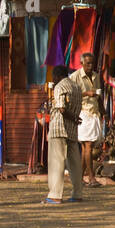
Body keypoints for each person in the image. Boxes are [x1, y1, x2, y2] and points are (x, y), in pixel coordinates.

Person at [44, 65, 83, 205]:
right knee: (75, 163)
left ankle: (55, 195)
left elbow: (61, 108)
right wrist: (75, 119)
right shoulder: (77, 87)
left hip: (59, 128)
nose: (53, 80)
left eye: (53, 77)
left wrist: (72, 117)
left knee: (57, 161)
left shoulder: (60, 86)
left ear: (57, 76)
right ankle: (77, 193)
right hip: (73, 130)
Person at [72, 53, 103, 186]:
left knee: (86, 147)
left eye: (92, 63)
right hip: (83, 113)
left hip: (94, 113)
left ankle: (78, 178)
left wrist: (104, 111)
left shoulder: (96, 76)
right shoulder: (75, 77)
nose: (90, 66)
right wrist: (86, 93)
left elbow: (99, 95)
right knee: (88, 146)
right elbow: (70, 94)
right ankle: (91, 177)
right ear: (82, 63)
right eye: (88, 63)